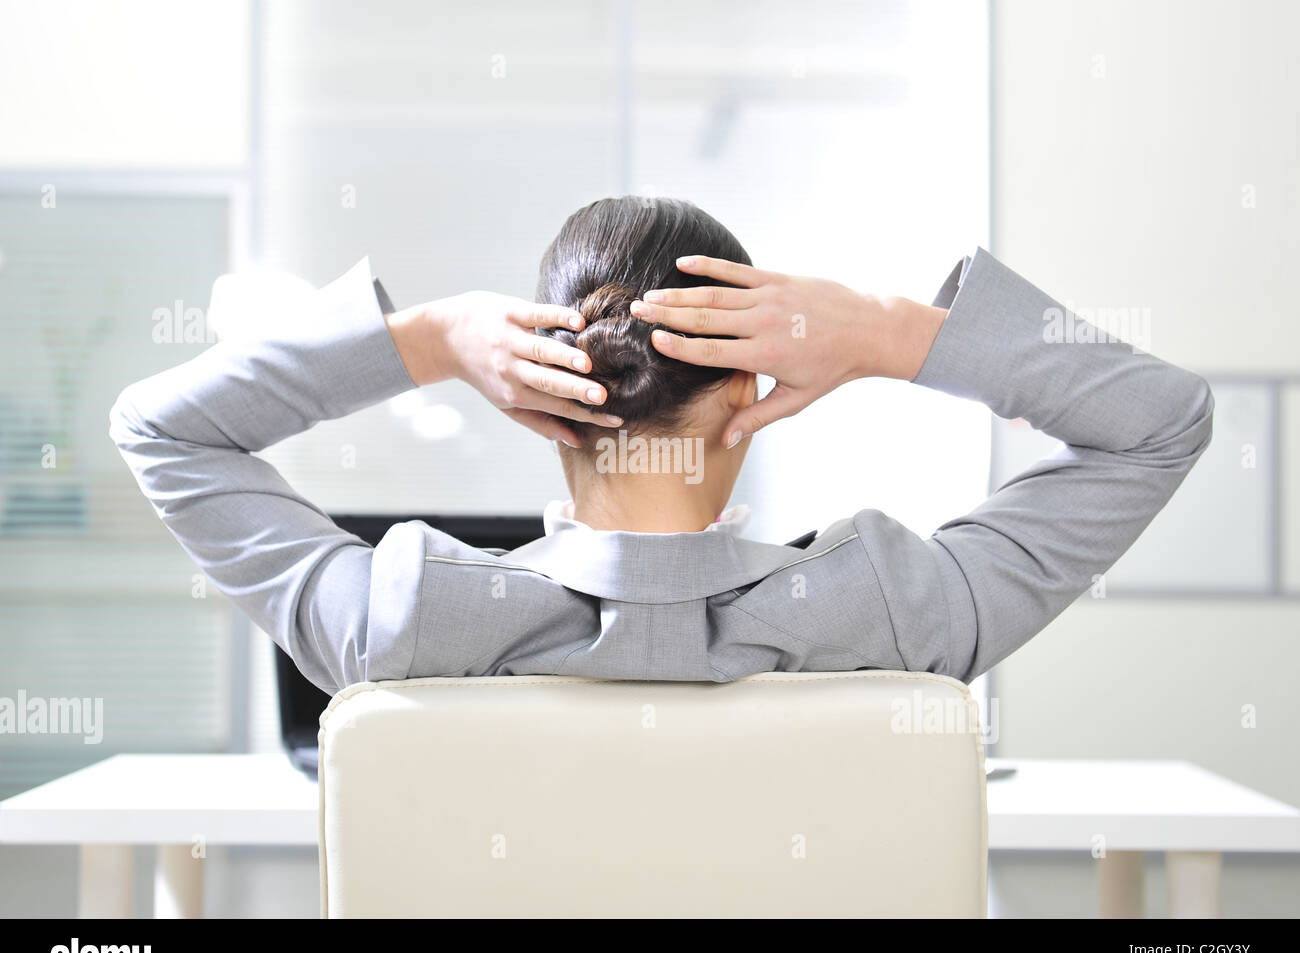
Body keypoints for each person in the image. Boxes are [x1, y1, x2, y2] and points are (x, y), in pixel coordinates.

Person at [110, 196, 1214, 695]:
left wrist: (431, 339)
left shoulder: (398, 621)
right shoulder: (894, 611)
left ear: (541, 391)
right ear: (747, 388)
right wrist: (889, 331)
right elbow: (1160, 425)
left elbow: (161, 431)